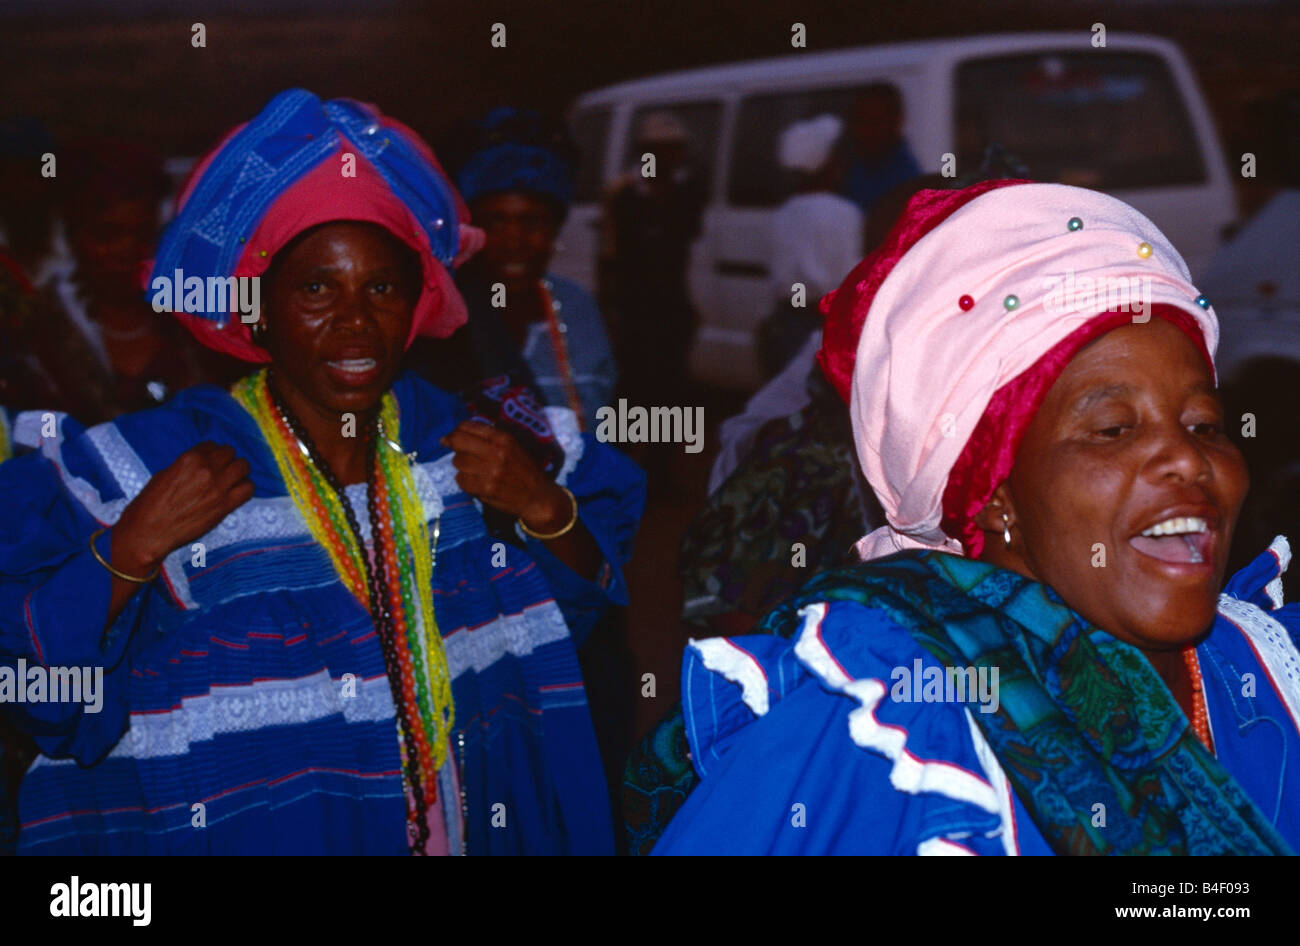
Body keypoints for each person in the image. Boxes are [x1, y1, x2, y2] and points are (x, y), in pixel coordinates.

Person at [0, 89, 645, 856]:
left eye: (381, 287)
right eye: (315, 288)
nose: (354, 320)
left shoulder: (473, 440)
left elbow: (593, 592)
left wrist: (544, 508)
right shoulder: (146, 466)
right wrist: (127, 553)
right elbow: (33, 681)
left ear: (414, 303)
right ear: (258, 310)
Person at [652, 180, 1300, 855]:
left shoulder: (1269, 673)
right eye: (1111, 428)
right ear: (995, 493)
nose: (1189, 461)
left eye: (1206, 424)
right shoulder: (896, 722)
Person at [408, 108, 616, 431]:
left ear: (554, 230)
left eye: (531, 222)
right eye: (496, 222)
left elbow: (601, 422)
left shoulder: (576, 307)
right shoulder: (440, 314)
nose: (514, 241)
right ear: (471, 229)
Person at [759, 114, 863, 379]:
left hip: (788, 321)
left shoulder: (783, 213)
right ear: (827, 163)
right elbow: (849, 276)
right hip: (825, 323)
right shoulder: (845, 212)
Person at [842, 84, 921, 218]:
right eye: (860, 120)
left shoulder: (907, 180)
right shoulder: (850, 168)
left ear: (896, 121)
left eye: (874, 122)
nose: (865, 130)